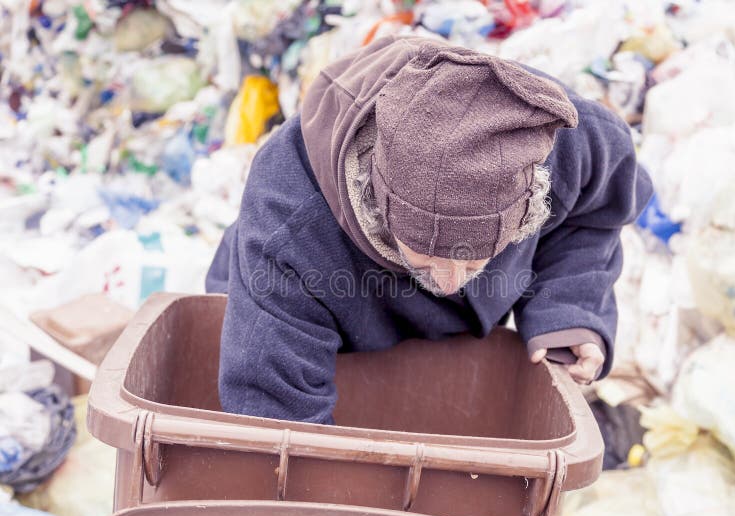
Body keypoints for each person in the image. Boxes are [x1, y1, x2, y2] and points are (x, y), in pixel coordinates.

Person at [205, 35, 654, 425]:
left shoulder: (548, 134)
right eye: (426, 259)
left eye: (473, 263)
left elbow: (595, 215)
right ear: (376, 204)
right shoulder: (286, 226)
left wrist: (569, 313)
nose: (450, 282)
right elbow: (279, 419)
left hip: (439, 346)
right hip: (292, 322)